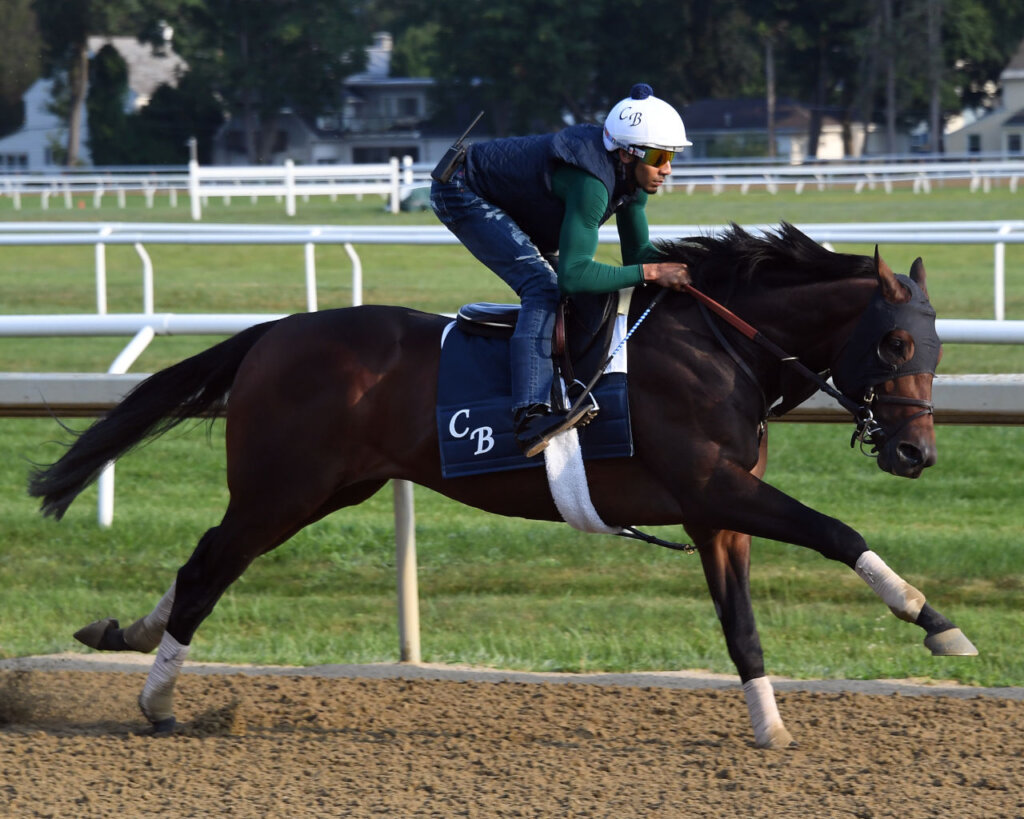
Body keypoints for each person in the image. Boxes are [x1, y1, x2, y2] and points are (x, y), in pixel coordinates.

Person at [430, 83, 692, 457]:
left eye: (672, 155)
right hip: (462, 189)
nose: (667, 168)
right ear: (627, 155)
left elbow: (638, 254)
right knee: (545, 287)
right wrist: (652, 274)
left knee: (567, 290)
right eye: (659, 156)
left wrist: (692, 265)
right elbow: (577, 275)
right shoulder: (591, 184)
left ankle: (568, 387)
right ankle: (529, 416)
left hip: (512, 195)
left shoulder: (631, 179)